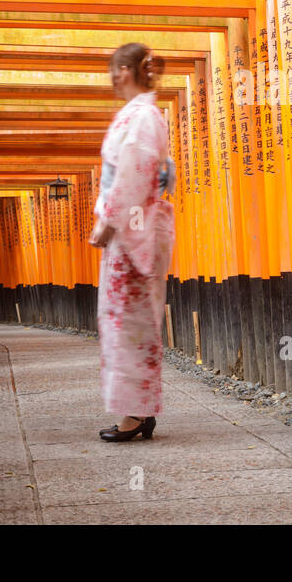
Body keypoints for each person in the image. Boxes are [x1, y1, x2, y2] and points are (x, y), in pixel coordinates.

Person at [89, 43, 177, 441]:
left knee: (130, 322)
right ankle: (138, 410)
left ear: (125, 71)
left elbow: (135, 176)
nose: (110, 78)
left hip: (132, 229)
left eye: (113, 69)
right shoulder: (143, 115)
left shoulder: (142, 117)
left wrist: (110, 222)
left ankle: (135, 415)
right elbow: (156, 174)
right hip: (136, 226)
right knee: (131, 320)